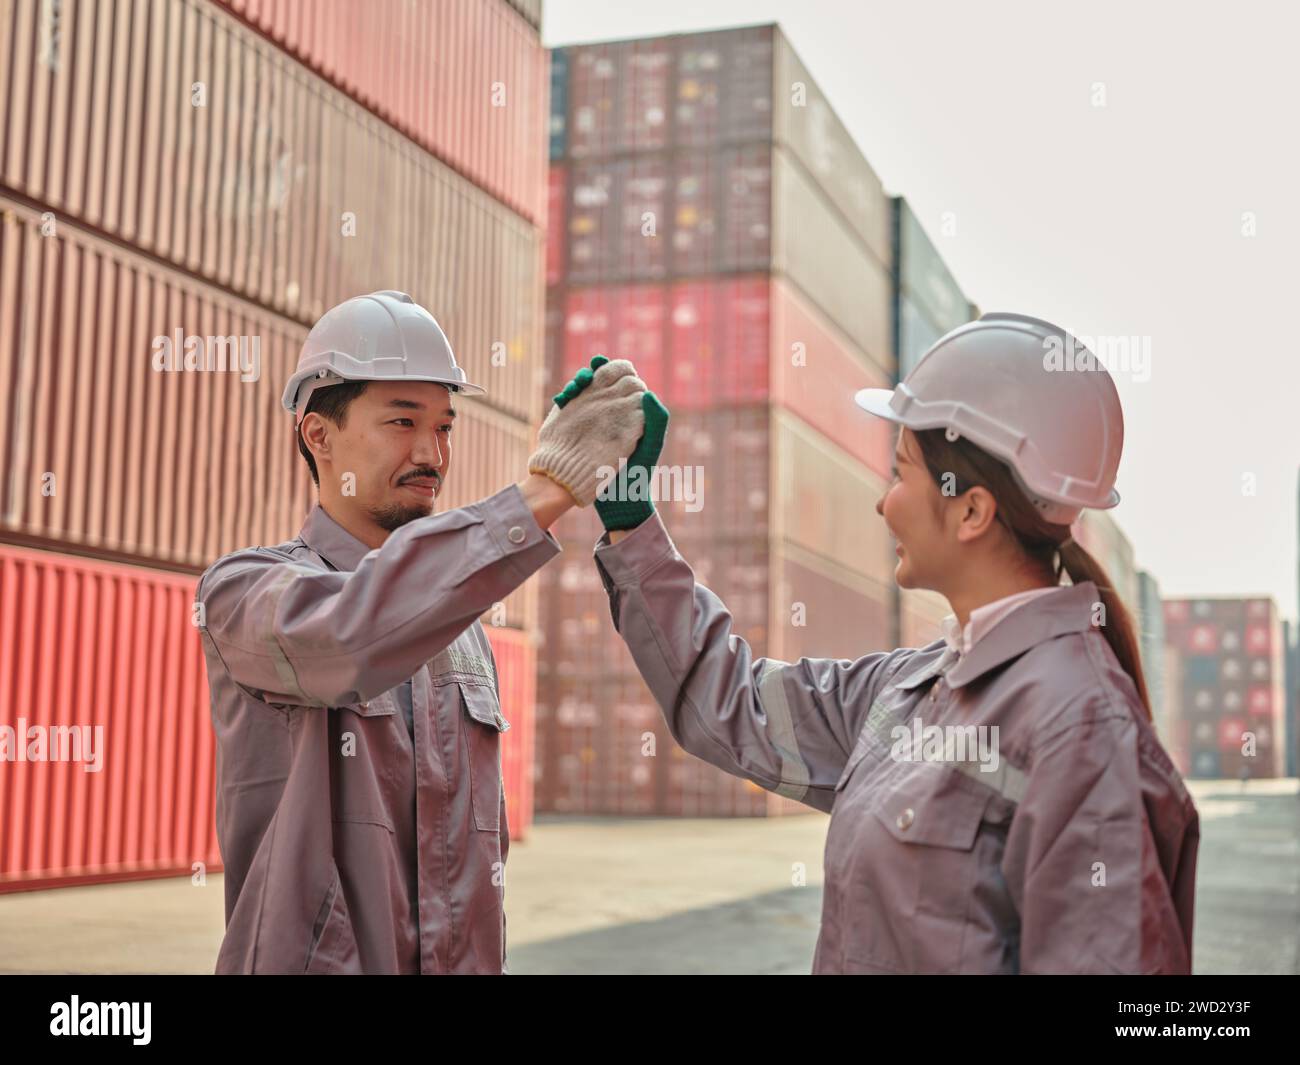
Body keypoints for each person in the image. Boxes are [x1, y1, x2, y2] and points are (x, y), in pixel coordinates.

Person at [590, 312, 1200, 974]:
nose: (883, 504)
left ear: (972, 510)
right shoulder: (910, 688)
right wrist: (630, 516)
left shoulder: (1081, 731)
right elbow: (731, 700)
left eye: (901, 472)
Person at [197, 291, 644, 973]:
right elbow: (354, 634)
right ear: (318, 435)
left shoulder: (462, 633)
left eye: (444, 425)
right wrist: (550, 488)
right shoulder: (245, 593)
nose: (431, 451)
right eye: (403, 420)